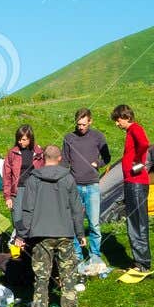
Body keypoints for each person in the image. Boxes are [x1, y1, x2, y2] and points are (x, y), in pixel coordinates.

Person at [12, 141, 85, 307]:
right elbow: (77, 209)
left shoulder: (33, 179)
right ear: (60, 159)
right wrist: (80, 233)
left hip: (40, 235)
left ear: (43, 158)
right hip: (65, 234)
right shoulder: (68, 179)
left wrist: (22, 235)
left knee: (41, 278)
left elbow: (27, 210)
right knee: (68, 277)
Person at [62, 108, 111, 277]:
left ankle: (95, 255)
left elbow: (107, 157)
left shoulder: (98, 137)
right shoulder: (69, 138)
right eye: (78, 124)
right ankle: (77, 255)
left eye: (84, 124)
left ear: (90, 122)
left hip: (92, 185)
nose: (81, 127)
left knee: (94, 223)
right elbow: (64, 162)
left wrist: (98, 163)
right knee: (74, 221)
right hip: (74, 185)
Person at [113, 104, 154, 282]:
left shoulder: (135, 128)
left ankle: (143, 263)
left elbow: (145, 143)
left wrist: (137, 160)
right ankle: (139, 261)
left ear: (126, 117)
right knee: (133, 221)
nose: (116, 124)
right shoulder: (130, 132)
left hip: (137, 183)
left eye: (117, 120)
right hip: (132, 183)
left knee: (138, 222)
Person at [0, 123, 45, 208]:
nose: (20, 142)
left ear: (30, 139)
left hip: (34, 190)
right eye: (19, 139)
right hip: (17, 191)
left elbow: (44, 173)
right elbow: (7, 176)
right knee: (18, 218)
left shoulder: (39, 153)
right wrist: (7, 197)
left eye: (24, 139)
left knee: (33, 218)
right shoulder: (12, 153)